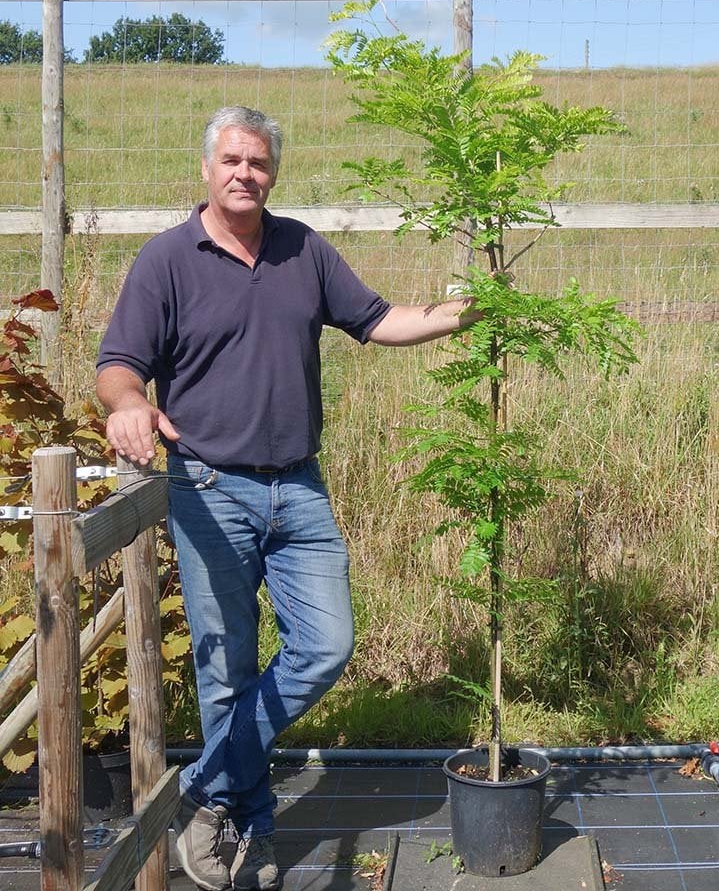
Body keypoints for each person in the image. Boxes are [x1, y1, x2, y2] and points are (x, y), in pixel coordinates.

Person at [96, 106, 479, 891]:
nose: (246, 174)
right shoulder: (168, 260)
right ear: (207, 168)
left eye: (259, 164)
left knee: (326, 646)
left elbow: (379, 321)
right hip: (208, 490)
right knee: (226, 671)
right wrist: (127, 404)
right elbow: (119, 363)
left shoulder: (304, 249)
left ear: (275, 173)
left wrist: (464, 314)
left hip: (299, 490)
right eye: (233, 160)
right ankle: (251, 833)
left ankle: (204, 791)